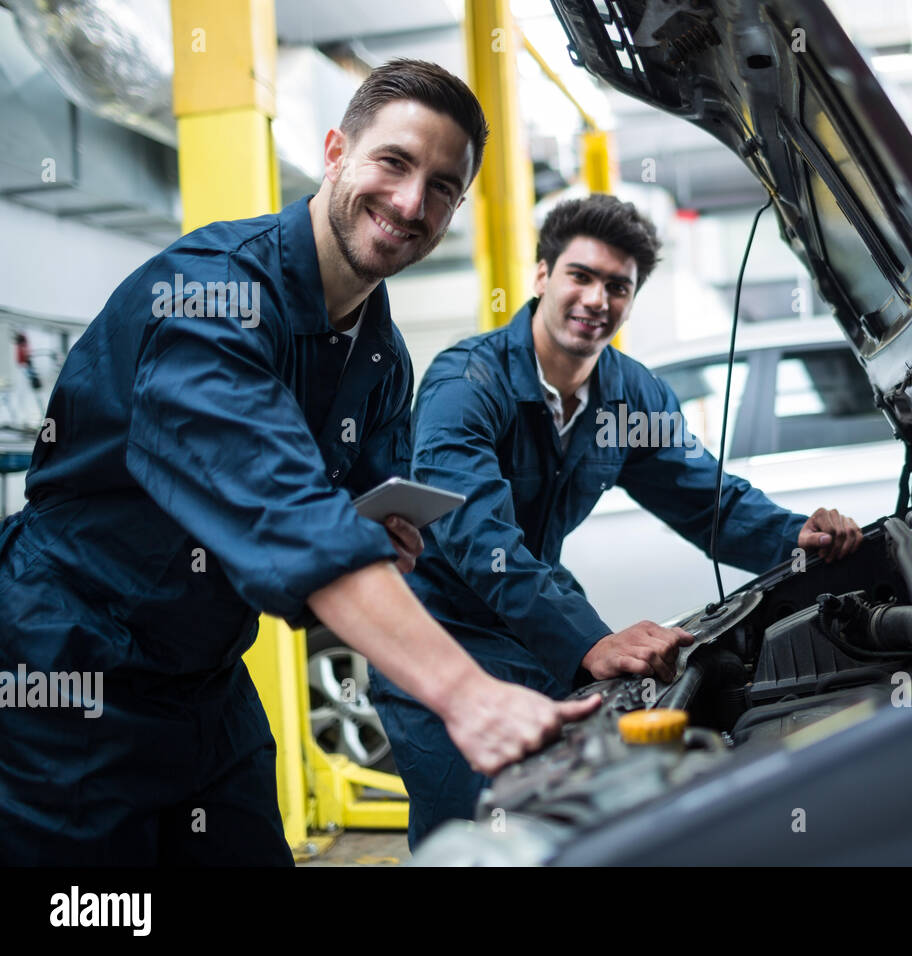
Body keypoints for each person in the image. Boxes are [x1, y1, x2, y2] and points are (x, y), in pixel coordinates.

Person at [0, 59, 597, 866]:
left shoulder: (381, 356)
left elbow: (342, 530)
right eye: (393, 162)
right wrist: (467, 697)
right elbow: (285, 516)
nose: (412, 202)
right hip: (65, 674)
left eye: (444, 187)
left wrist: (383, 538)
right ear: (334, 152)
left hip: (203, 682)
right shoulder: (209, 299)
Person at [371, 193, 863, 847]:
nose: (596, 298)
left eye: (617, 285)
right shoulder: (469, 381)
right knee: (475, 825)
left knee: (564, 809)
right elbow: (475, 535)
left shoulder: (630, 394)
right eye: (581, 275)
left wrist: (794, 537)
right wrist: (585, 642)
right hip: (435, 633)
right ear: (544, 276)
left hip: (532, 626)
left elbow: (707, 500)